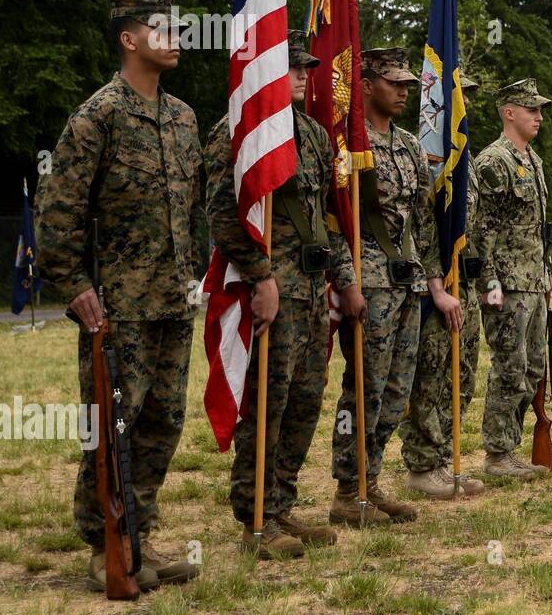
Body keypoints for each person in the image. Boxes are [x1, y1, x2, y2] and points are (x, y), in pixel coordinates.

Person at [36, 0, 201, 592]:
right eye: (161, 29)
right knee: (112, 422)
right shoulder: (96, 117)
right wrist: (74, 285)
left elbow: (193, 211)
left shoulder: (182, 119)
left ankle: (140, 532)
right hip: (119, 308)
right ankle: (103, 543)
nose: (176, 38)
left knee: (163, 419)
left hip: (173, 302)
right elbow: (58, 213)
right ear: (129, 39)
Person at [205, 33, 364, 555]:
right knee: (267, 404)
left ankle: (281, 505)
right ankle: (255, 516)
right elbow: (223, 214)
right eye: (293, 67)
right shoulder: (240, 132)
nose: (302, 76)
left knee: (303, 402)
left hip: (312, 296)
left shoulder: (315, 136)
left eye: (306, 68)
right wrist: (260, 275)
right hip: (273, 295)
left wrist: (344, 278)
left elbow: (327, 220)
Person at [331, 48, 460, 525]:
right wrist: (347, 282)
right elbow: (336, 219)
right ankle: (348, 490)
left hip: (407, 285)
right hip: (368, 282)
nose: (405, 90)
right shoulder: (347, 142)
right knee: (363, 388)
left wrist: (435, 283)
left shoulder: (407, 144)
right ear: (365, 84)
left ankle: (374, 481)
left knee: (395, 390)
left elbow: (422, 222)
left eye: (408, 83)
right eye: (394, 82)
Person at [400, 73, 487, 500]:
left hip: (464, 282)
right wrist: (436, 284)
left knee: (463, 373)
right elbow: (421, 227)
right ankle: (422, 463)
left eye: (468, 98)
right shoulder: (427, 153)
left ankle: (447, 456)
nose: (464, 105)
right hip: (433, 286)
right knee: (429, 376)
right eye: (459, 97)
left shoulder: (464, 157)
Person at [476, 78, 552, 479]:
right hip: (506, 284)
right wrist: (489, 284)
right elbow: (482, 230)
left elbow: (537, 225)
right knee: (510, 365)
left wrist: (546, 273)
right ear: (509, 113)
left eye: (539, 110)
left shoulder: (532, 159)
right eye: (531, 109)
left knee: (533, 367)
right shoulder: (494, 162)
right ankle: (497, 452)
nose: (539, 117)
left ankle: (514, 445)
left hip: (532, 281)